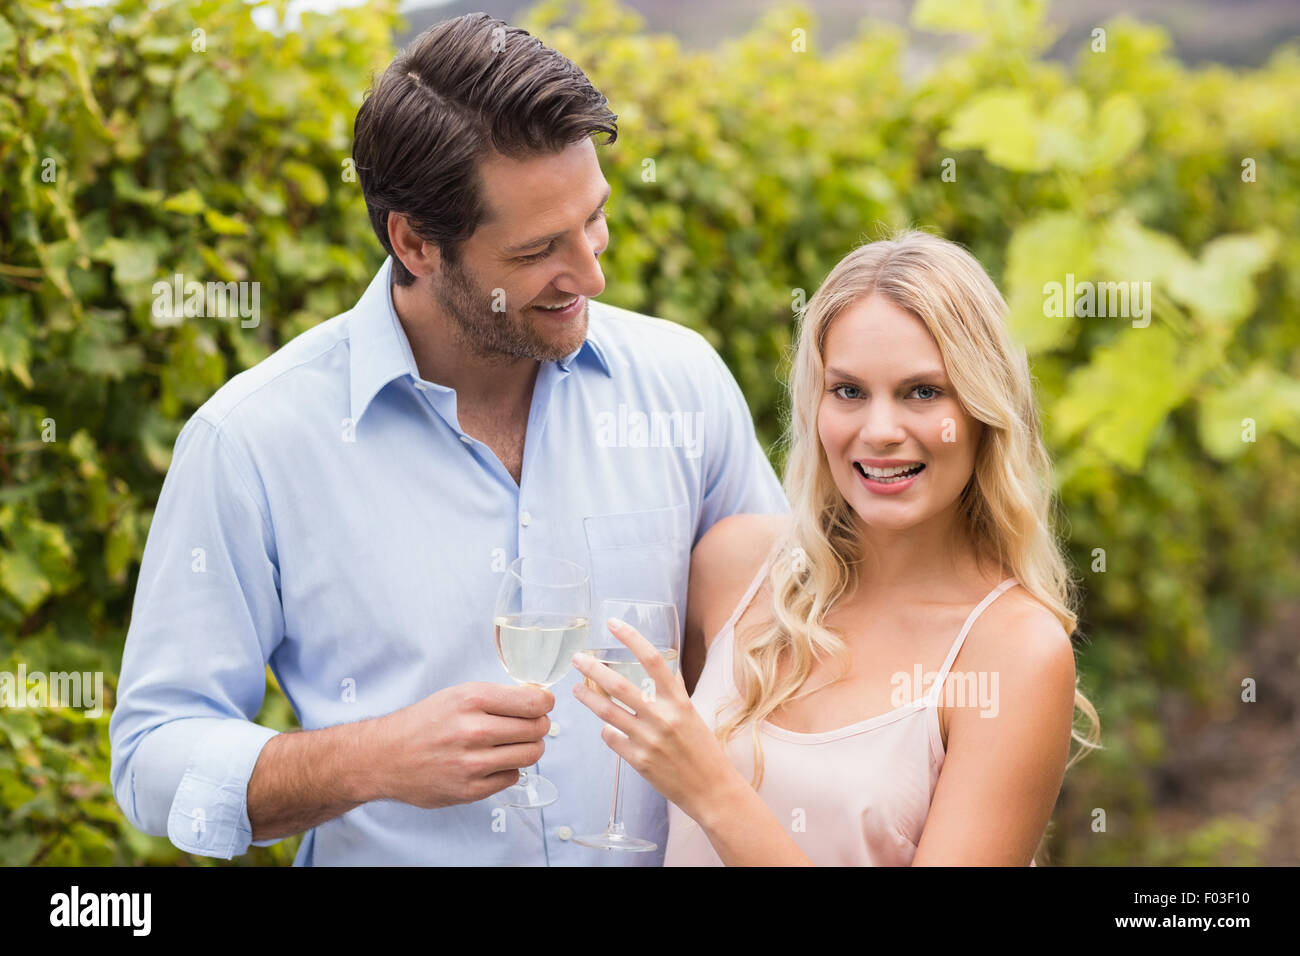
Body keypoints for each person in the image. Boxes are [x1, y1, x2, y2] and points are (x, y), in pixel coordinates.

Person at [108, 13, 786, 866]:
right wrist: (371, 759)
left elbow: (794, 654)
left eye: (596, 220)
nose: (591, 273)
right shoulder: (253, 444)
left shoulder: (682, 383)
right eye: (540, 248)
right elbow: (152, 757)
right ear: (415, 242)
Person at [571, 230, 1102, 865]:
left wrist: (712, 789)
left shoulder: (1015, 652)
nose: (879, 432)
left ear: (984, 409)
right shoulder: (734, 566)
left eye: (922, 392)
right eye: (849, 391)